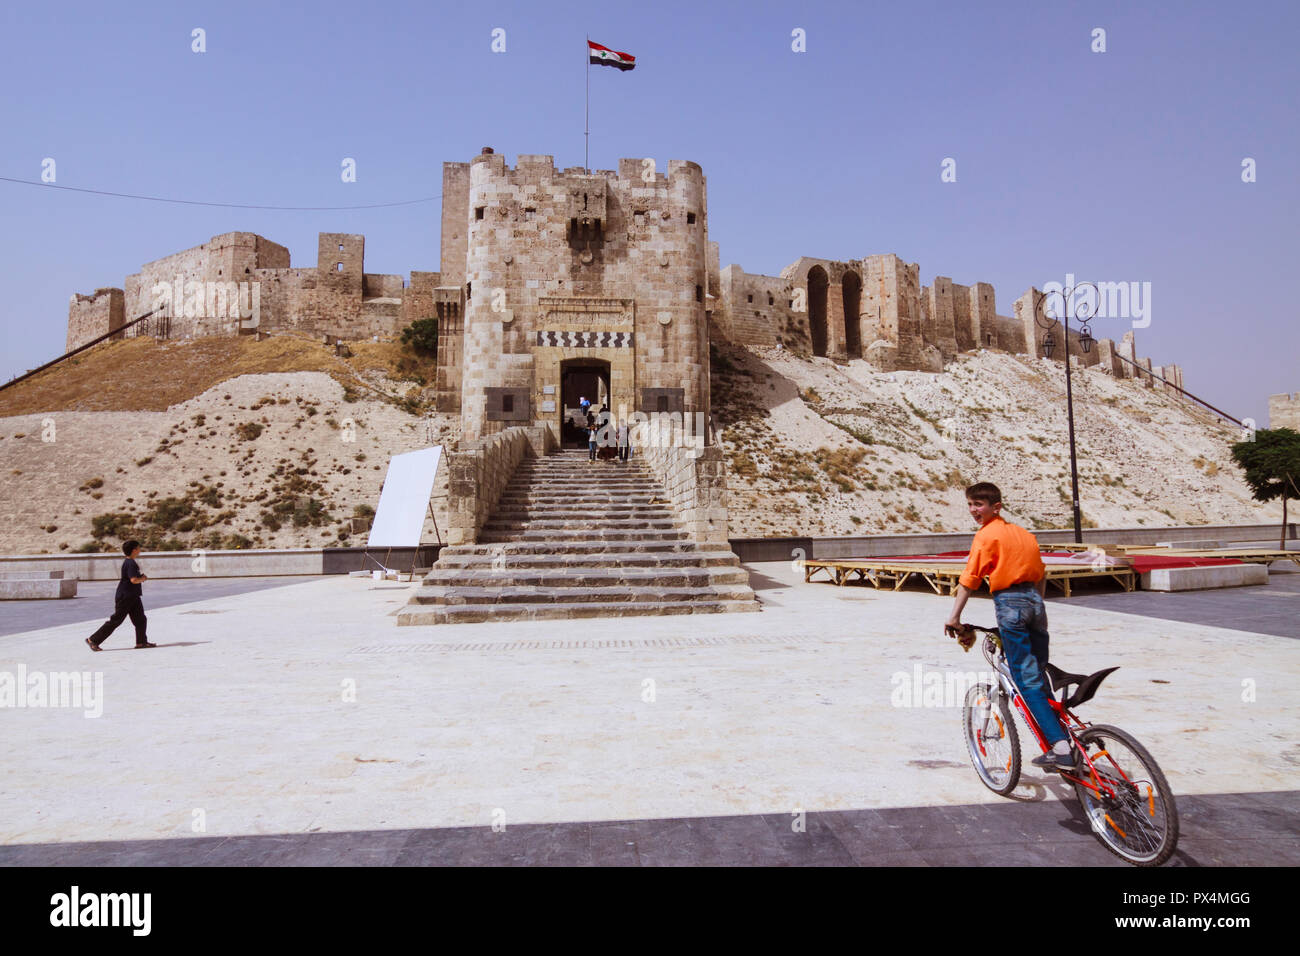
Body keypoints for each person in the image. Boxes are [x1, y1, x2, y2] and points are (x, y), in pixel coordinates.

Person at [945, 483, 1070, 771]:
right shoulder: (1024, 534)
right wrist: (1034, 605)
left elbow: (970, 578)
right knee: (1037, 674)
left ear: (996, 507)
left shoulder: (986, 535)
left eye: (980, 505)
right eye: (971, 505)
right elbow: (1041, 572)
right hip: (1036, 603)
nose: (974, 510)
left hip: (1010, 603)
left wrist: (954, 617)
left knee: (1024, 679)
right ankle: (1060, 734)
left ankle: (1061, 749)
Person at [86, 540, 156, 650]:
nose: (139, 550)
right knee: (116, 620)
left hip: (133, 596)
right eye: (138, 548)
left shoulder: (130, 562)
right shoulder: (130, 563)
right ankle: (93, 640)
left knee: (141, 619)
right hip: (126, 597)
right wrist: (142, 578)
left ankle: (141, 642)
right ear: (134, 550)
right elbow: (133, 580)